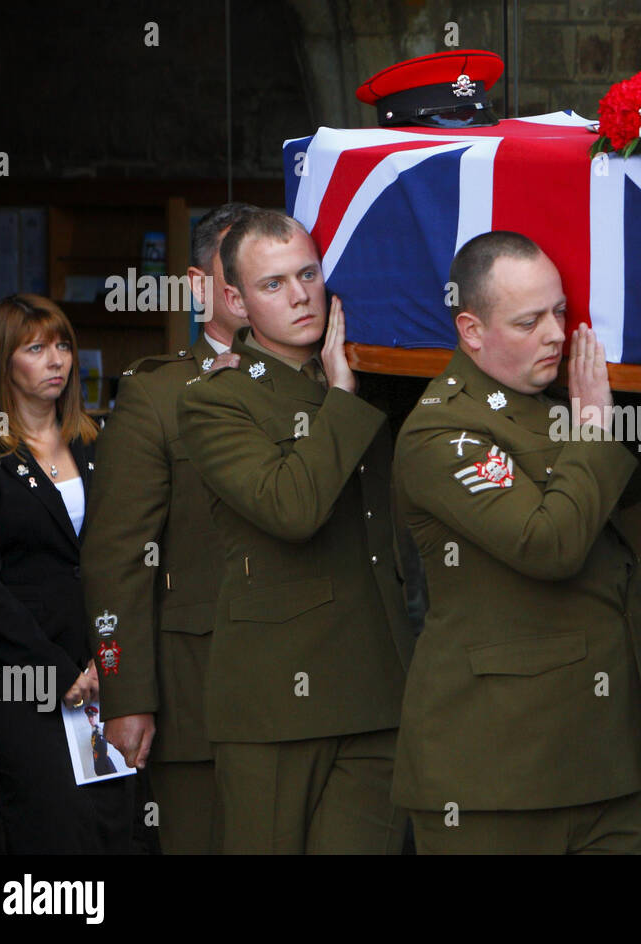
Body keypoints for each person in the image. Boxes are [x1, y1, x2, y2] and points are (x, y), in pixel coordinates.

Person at [391, 231, 641, 854]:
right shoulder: (442, 429)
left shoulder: (560, 402)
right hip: (494, 773)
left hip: (605, 759)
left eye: (560, 312)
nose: (556, 334)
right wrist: (595, 427)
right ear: (472, 330)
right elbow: (548, 544)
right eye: (529, 320)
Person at [176, 209, 411, 854]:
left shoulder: (377, 375)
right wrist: (339, 393)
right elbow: (291, 508)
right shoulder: (214, 399)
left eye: (308, 273)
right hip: (277, 701)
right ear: (236, 300)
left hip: (380, 688)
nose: (301, 295)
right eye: (274, 284)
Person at [81, 202, 255, 854]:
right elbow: (117, 556)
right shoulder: (158, 393)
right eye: (234, 267)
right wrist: (126, 696)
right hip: (196, 693)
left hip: (309, 696)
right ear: (198, 285)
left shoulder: (327, 382)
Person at [0, 294, 132, 853]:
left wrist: (107, 657)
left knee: (113, 824)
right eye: (36, 348)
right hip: (14, 673)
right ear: (3, 361)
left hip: (97, 665)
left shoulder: (96, 440)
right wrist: (56, 670)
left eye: (62, 346)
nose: (56, 360)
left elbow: (122, 557)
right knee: (52, 822)